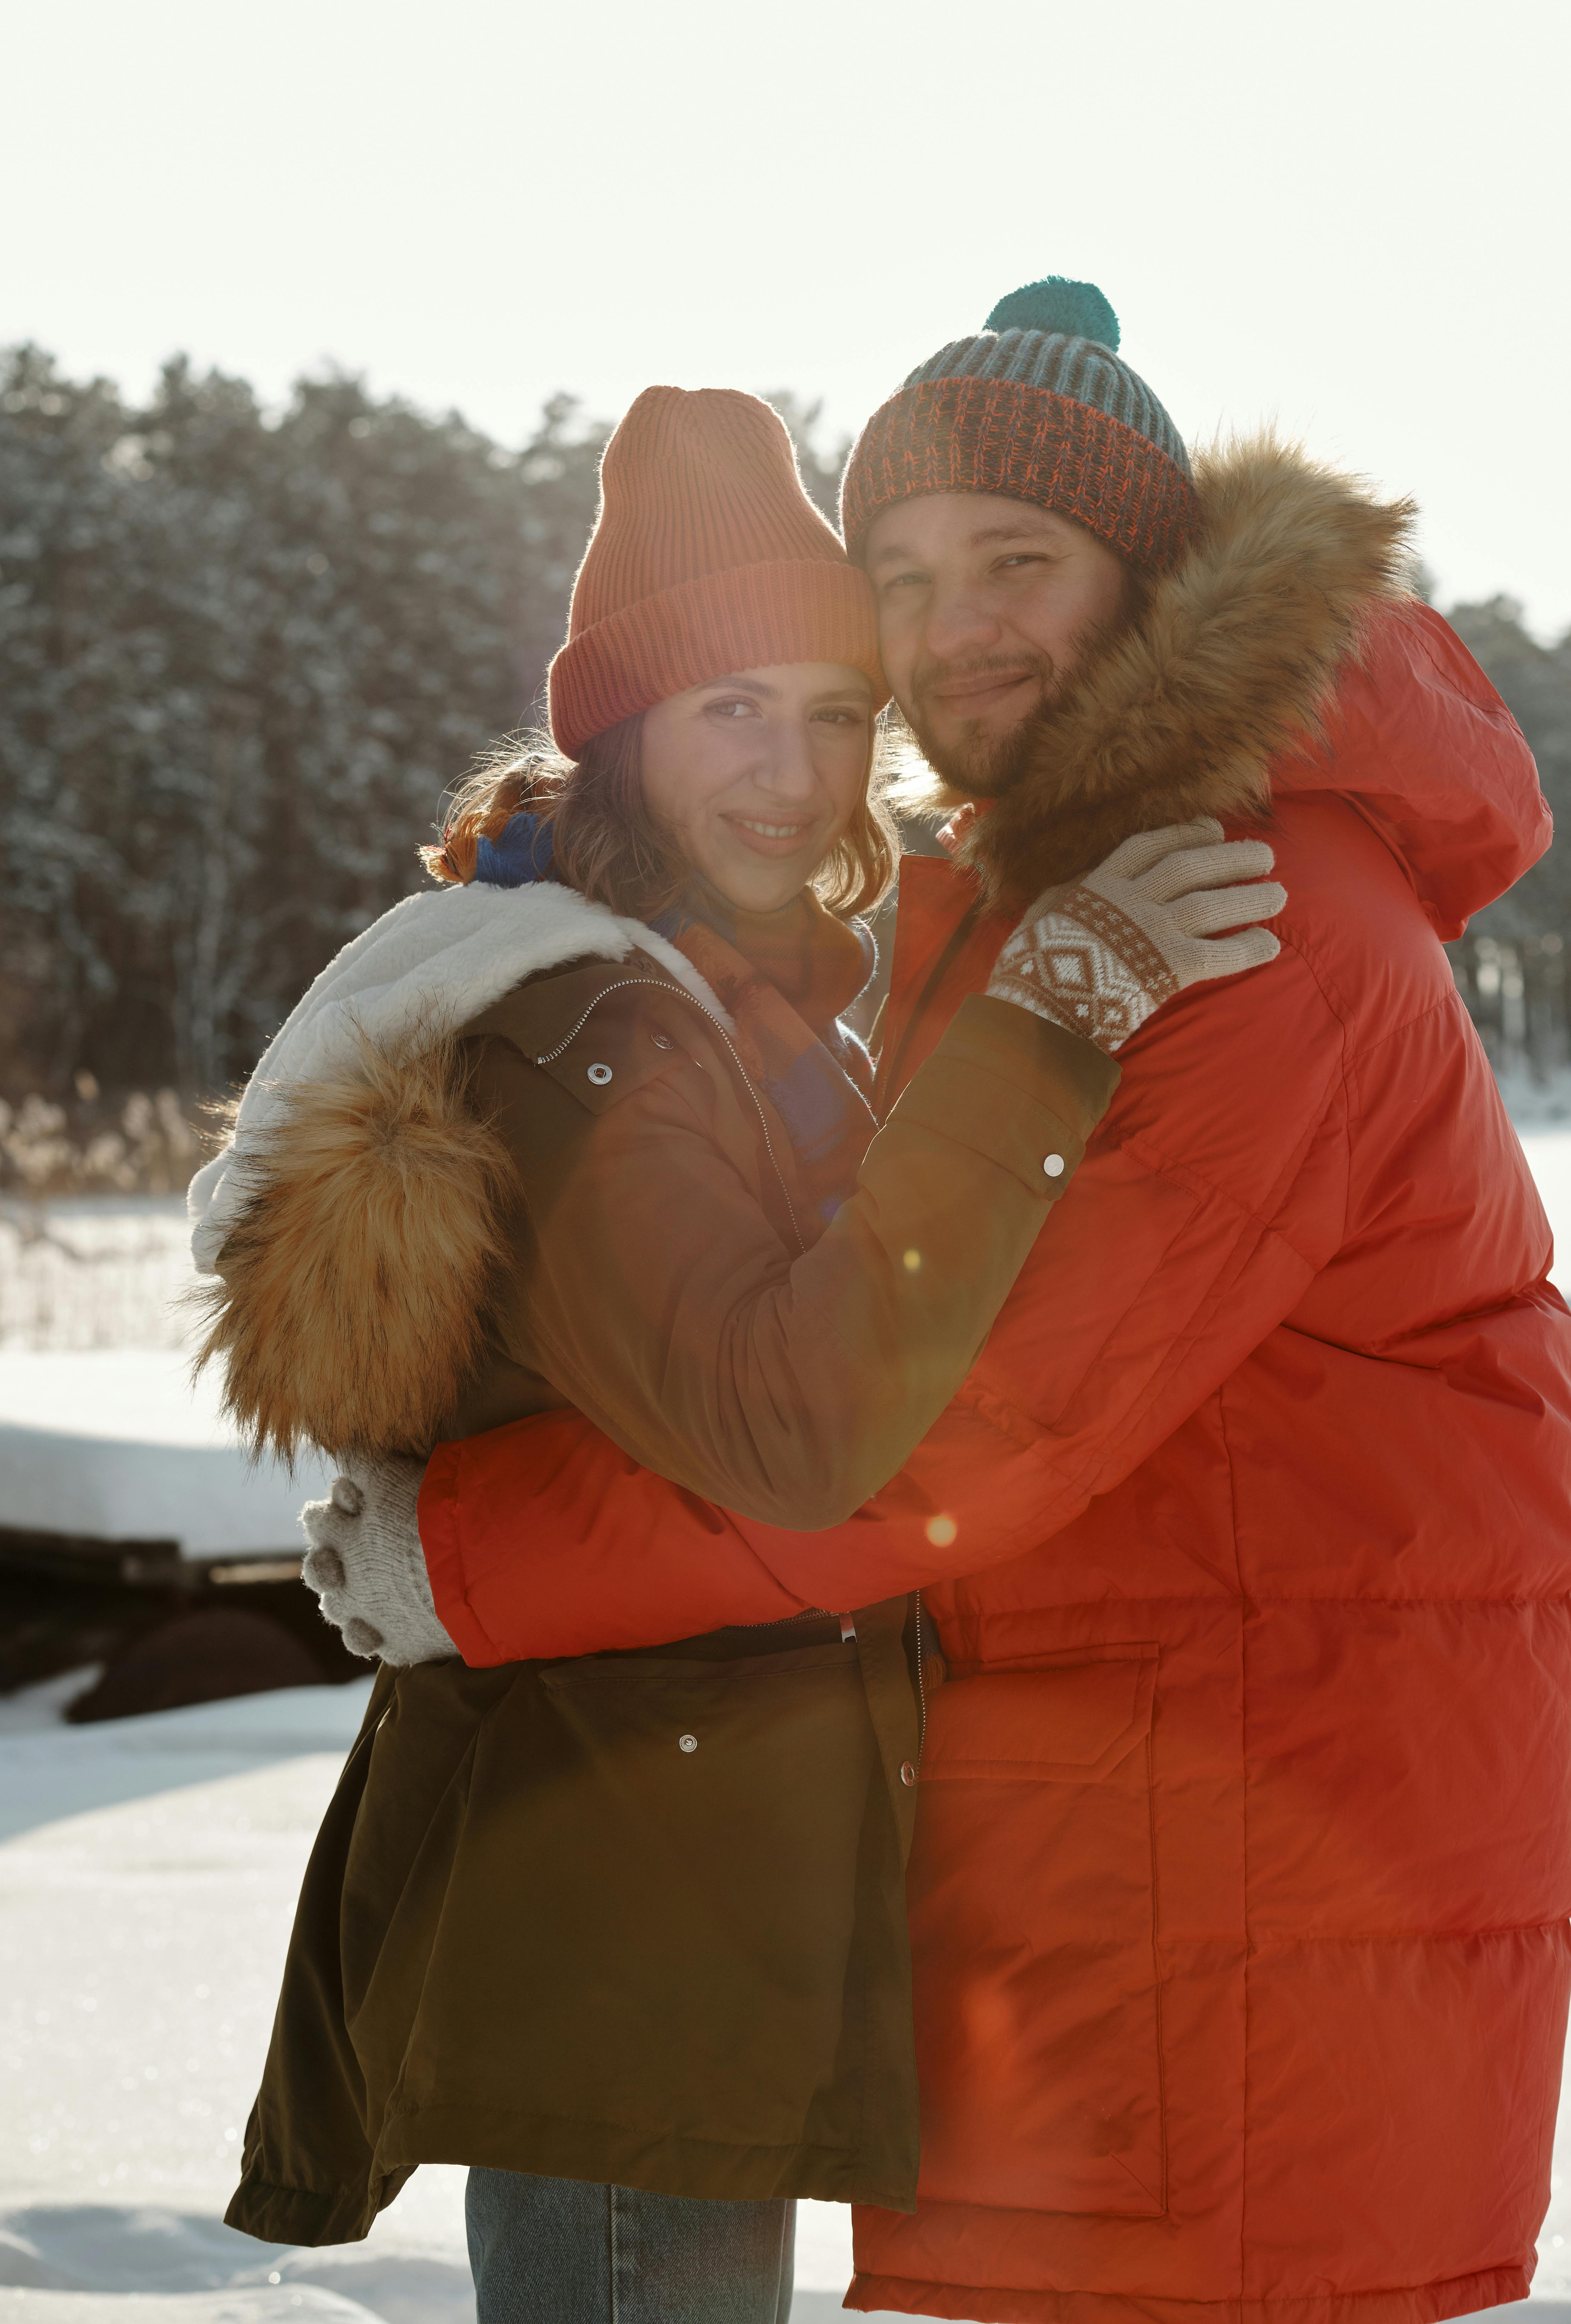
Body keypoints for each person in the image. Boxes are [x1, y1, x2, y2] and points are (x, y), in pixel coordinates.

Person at [319, 279, 1571, 2324]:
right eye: (900, 576)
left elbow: (941, 1434)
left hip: (1245, 1937)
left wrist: (472, 1563)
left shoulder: (1241, 921)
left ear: (1156, 574)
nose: (954, 626)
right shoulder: (1056, 885)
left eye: (1021, 559)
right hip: (1135, 1898)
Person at [194, 378, 1283, 2324]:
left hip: (683, 1889)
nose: (796, 772)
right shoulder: (589, 1037)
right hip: (630, 1907)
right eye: (729, 710)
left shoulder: (725, 1010)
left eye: (836, 713)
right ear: (616, 731)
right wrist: (1055, 1015)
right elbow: (791, 1419)